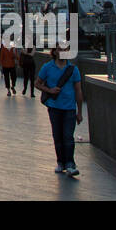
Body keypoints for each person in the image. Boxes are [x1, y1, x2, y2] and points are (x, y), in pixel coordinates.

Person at [36, 45, 84, 176]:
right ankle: (60, 162)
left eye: (66, 49)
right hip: (54, 107)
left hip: (69, 108)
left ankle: (70, 164)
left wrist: (80, 112)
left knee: (68, 136)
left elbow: (78, 90)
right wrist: (49, 90)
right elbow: (37, 83)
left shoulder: (73, 69)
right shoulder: (47, 67)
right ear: (55, 51)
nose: (63, 52)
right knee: (57, 136)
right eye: (60, 49)